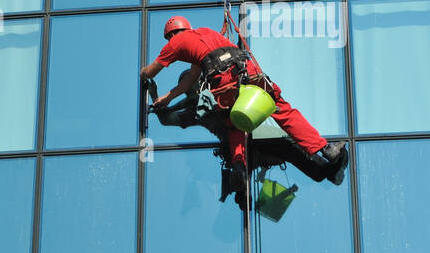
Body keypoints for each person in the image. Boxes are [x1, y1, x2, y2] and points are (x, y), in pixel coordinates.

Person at [140, 15, 348, 208]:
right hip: (246, 71)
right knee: (281, 110)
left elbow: (153, 72)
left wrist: (145, 78)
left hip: (224, 83)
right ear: (188, 27)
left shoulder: (174, 45)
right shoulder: (205, 32)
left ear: (171, 36)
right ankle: (324, 149)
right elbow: (191, 79)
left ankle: (239, 168)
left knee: (234, 123)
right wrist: (168, 97)